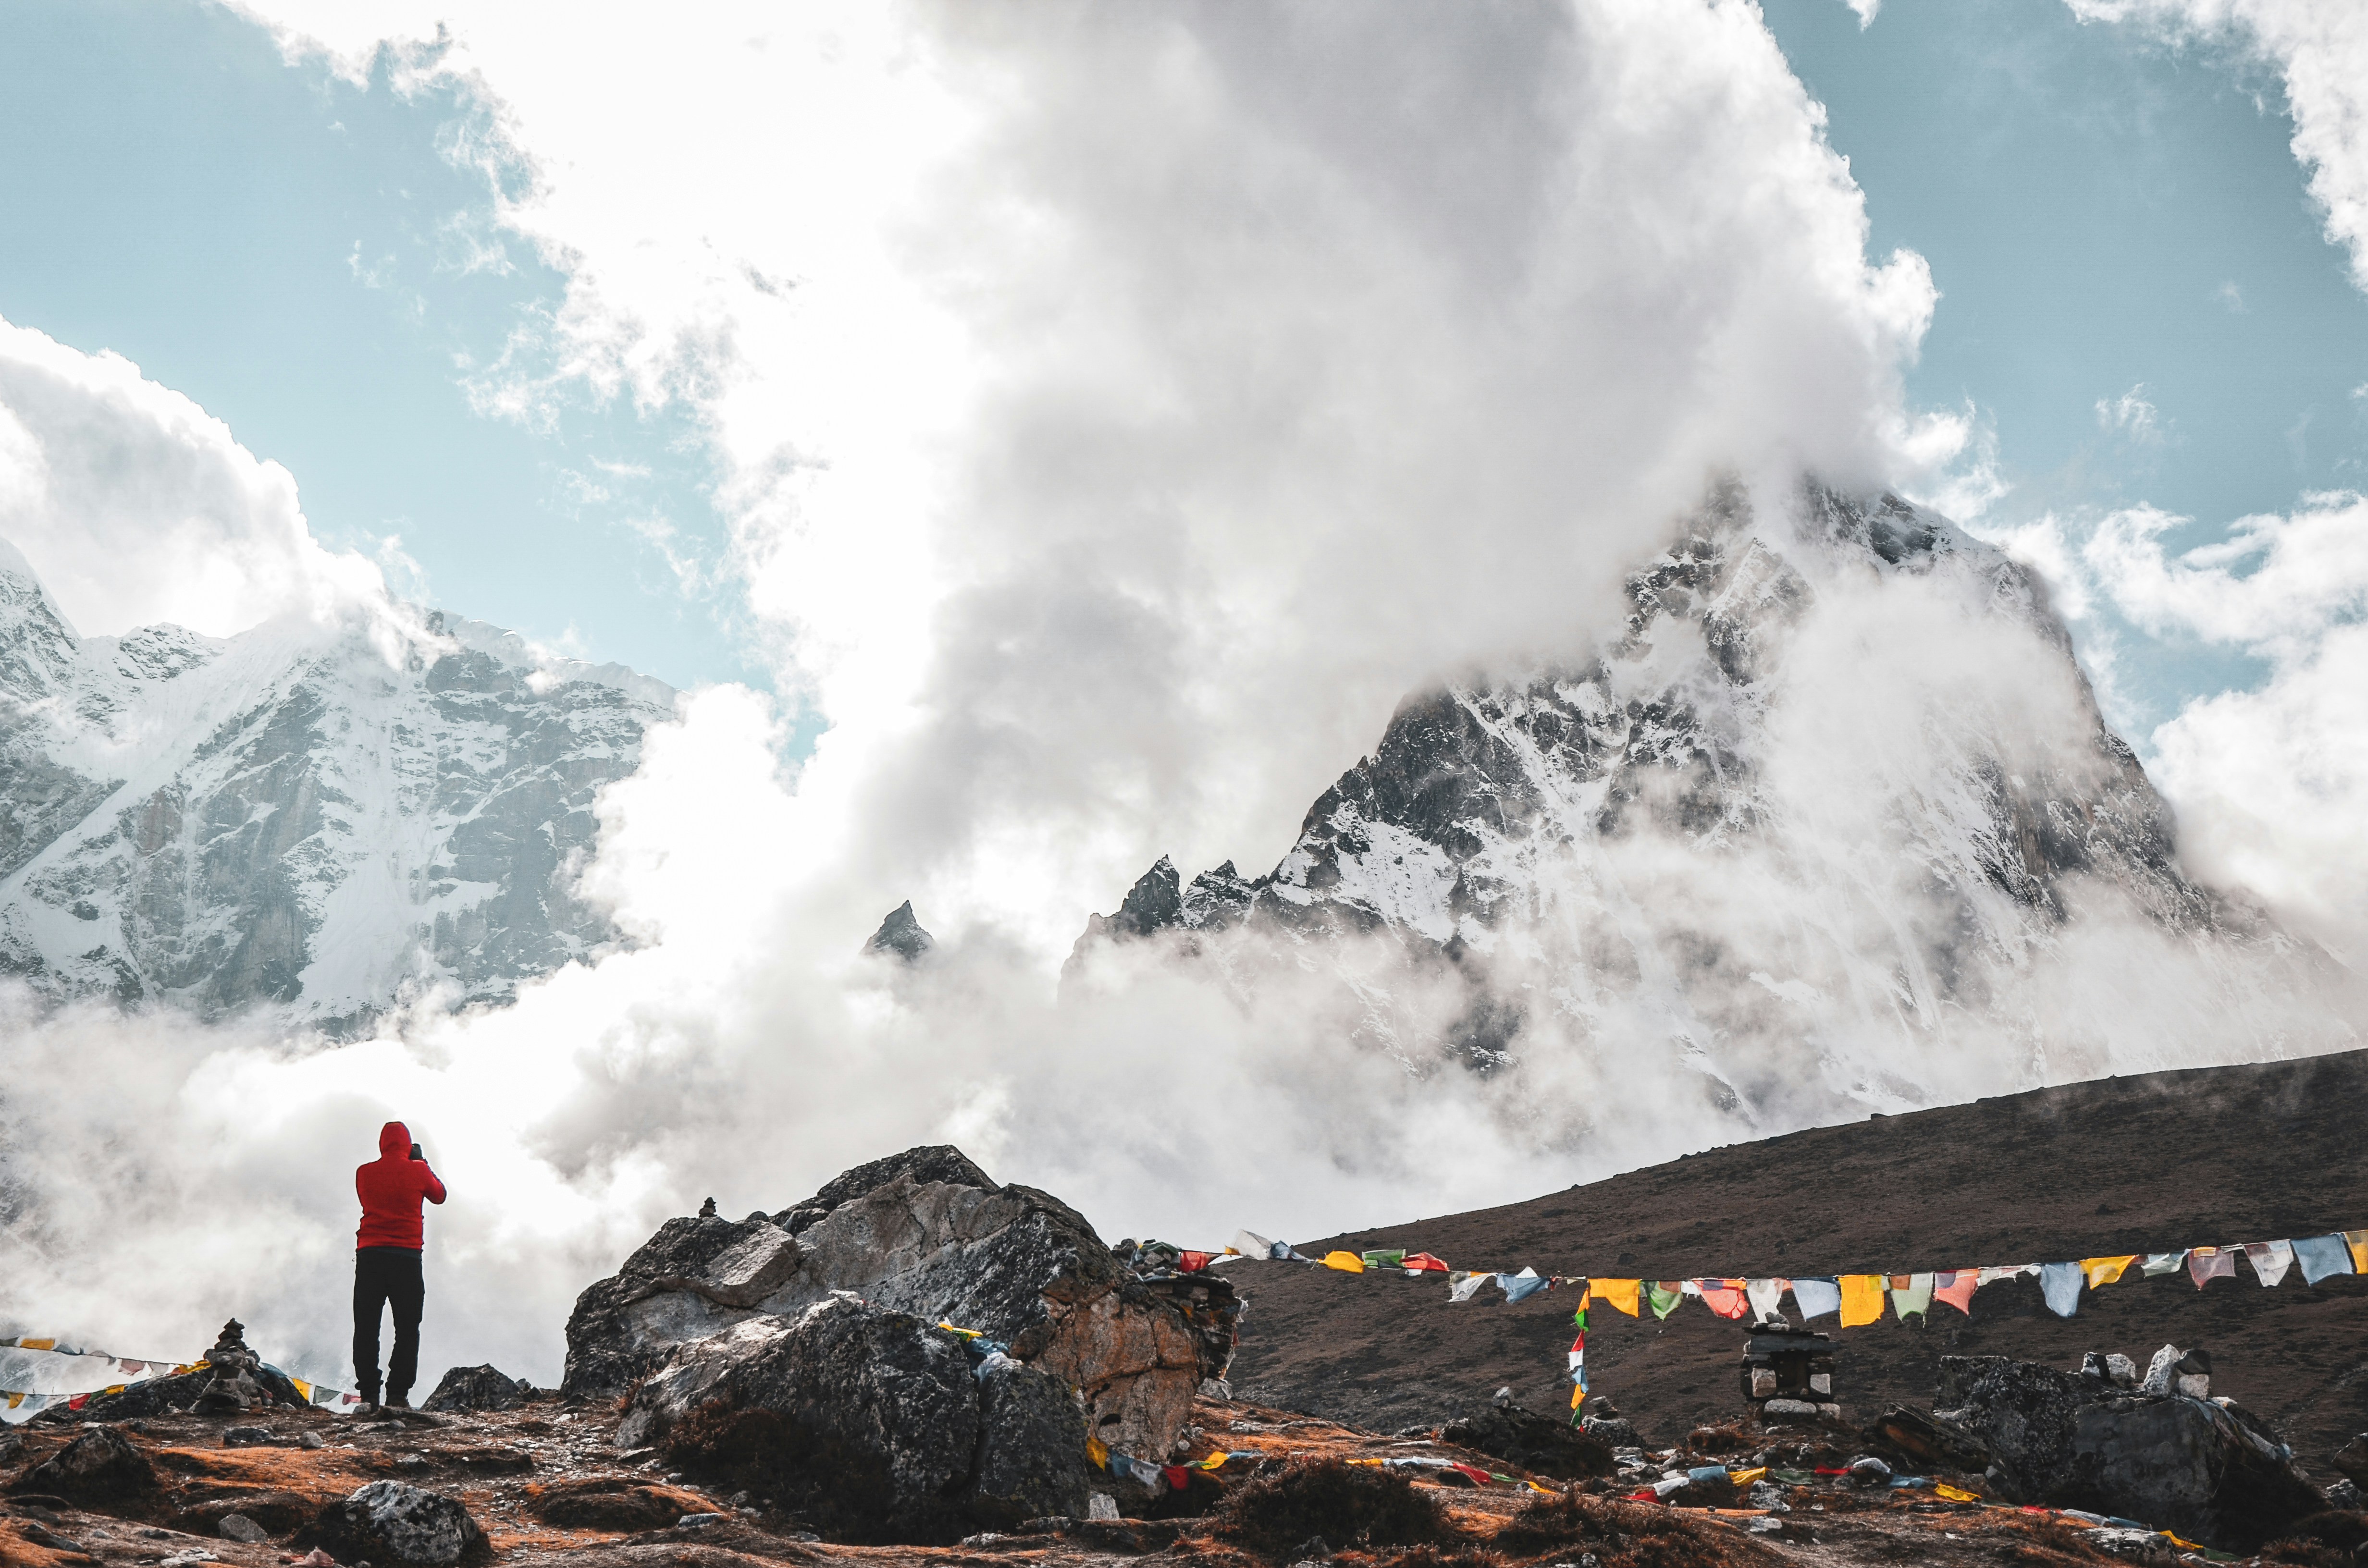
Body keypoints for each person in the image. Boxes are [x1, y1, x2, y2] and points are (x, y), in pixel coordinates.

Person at [354, 1120, 446, 1411]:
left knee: (367, 1326)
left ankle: (369, 1394)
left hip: (370, 1257)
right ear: (407, 1145)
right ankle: (398, 1394)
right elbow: (439, 1196)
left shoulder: (364, 1173)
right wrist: (421, 1163)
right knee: (407, 1327)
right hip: (406, 1258)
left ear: (383, 1144)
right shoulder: (418, 1170)